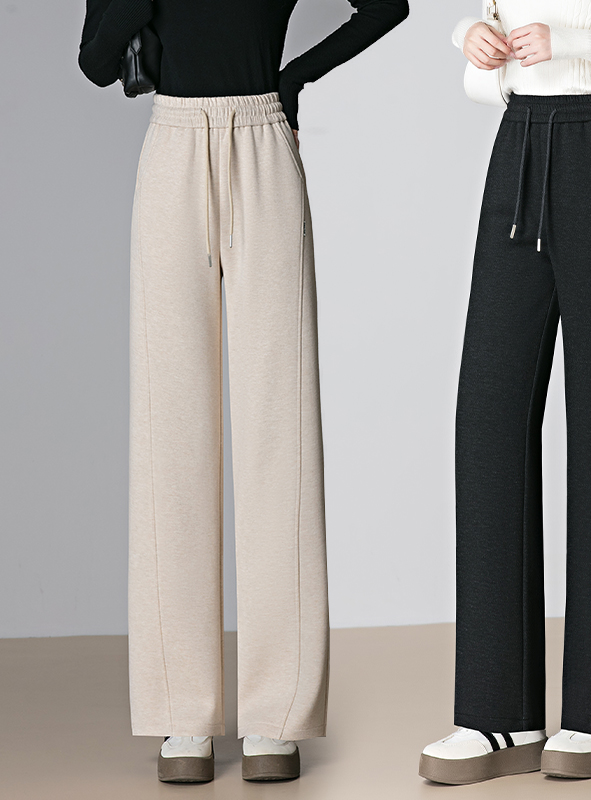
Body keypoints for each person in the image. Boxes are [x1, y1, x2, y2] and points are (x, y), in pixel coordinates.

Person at [78, 0, 408, 784]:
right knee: (170, 433)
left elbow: (388, 5)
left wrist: (296, 78)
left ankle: (276, 716)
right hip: (171, 147)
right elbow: (95, 61)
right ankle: (181, 718)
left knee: (278, 431)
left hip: (264, 142)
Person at [419, 0, 591, 785]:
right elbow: (491, 64)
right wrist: (471, 41)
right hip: (517, 147)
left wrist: (569, 40)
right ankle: (497, 711)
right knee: (489, 420)